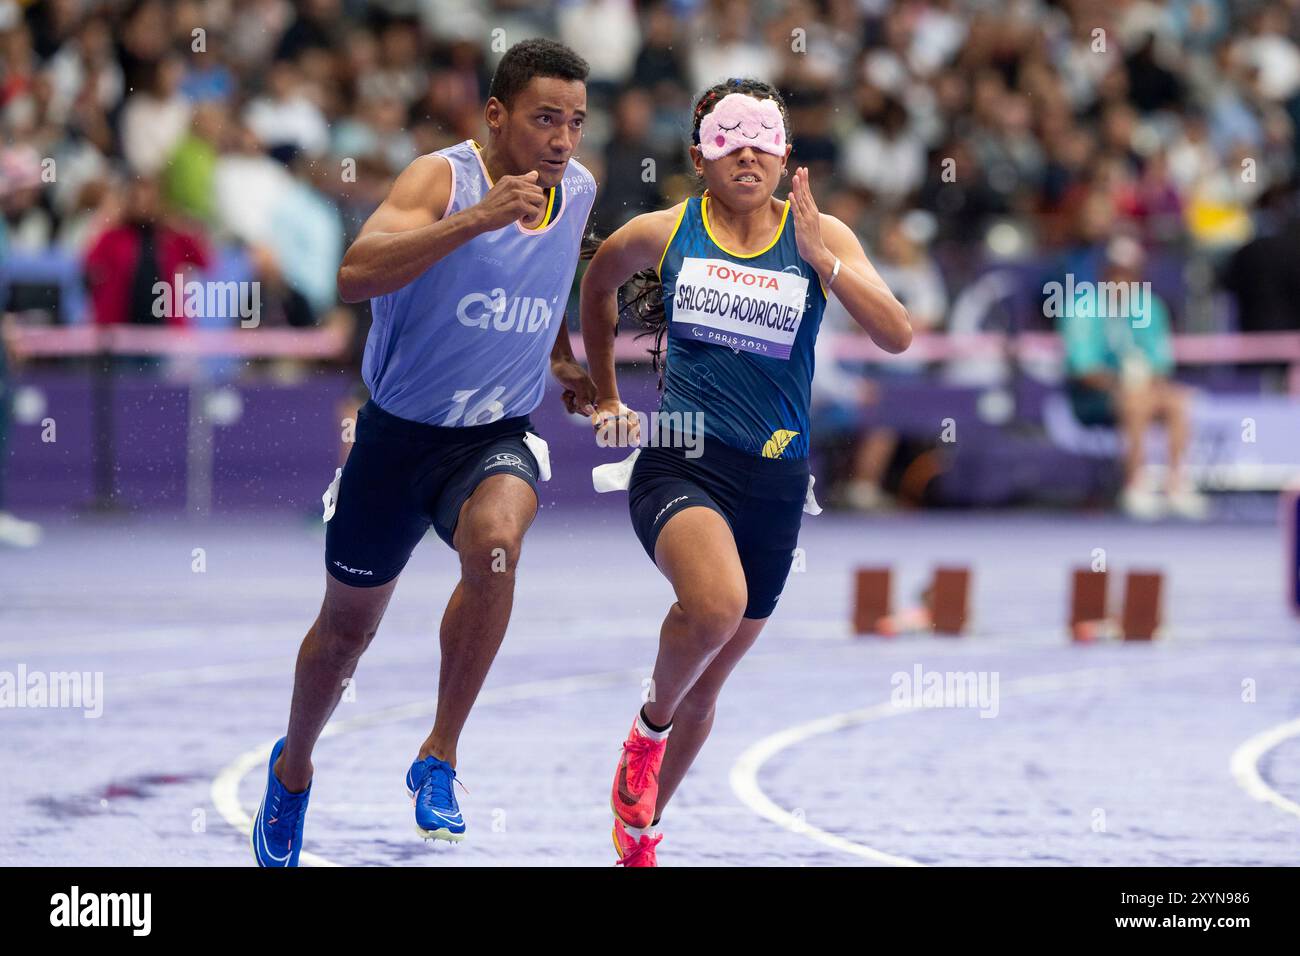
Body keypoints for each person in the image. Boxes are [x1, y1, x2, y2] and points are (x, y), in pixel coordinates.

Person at [251, 39, 599, 867]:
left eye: (576, 122)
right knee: (343, 637)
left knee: (498, 551)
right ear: (496, 116)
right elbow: (353, 275)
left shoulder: (579, 191)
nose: (562, 139)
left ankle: (439, 755)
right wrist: (476, 218)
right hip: (398, 437)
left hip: (494, 436)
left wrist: (559, 359)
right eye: (546, 118)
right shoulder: (439, 179)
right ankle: (293, 770)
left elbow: (545, 284)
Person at [579, 78, 911, 866]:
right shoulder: (664, 232)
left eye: (764, 136)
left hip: (777, 482)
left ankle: (639, 831)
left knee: (707, 690)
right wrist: (604, 395)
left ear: (787, 151)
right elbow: (596, 287)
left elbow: (897, 333)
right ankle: (644, 729)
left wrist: (826, 261)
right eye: (731, 138)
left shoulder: (819, 234)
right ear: (701, 156)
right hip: (682, 461)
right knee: (716, 605)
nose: (749, 152)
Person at [1059, 234, 1207, 519]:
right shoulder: (1082, 308)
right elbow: (1082, 368)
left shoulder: (1150, 308)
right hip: (1092, 397)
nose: (1121, 282)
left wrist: (1146, 382)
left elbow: (1160, 363)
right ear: (1105, 274)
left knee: (1177, 402)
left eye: (1128, 274)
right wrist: (1123, 383)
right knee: (1135, 403)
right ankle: (1135, 484)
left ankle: (1177, 484)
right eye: (1115, 274)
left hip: (1142, 390)